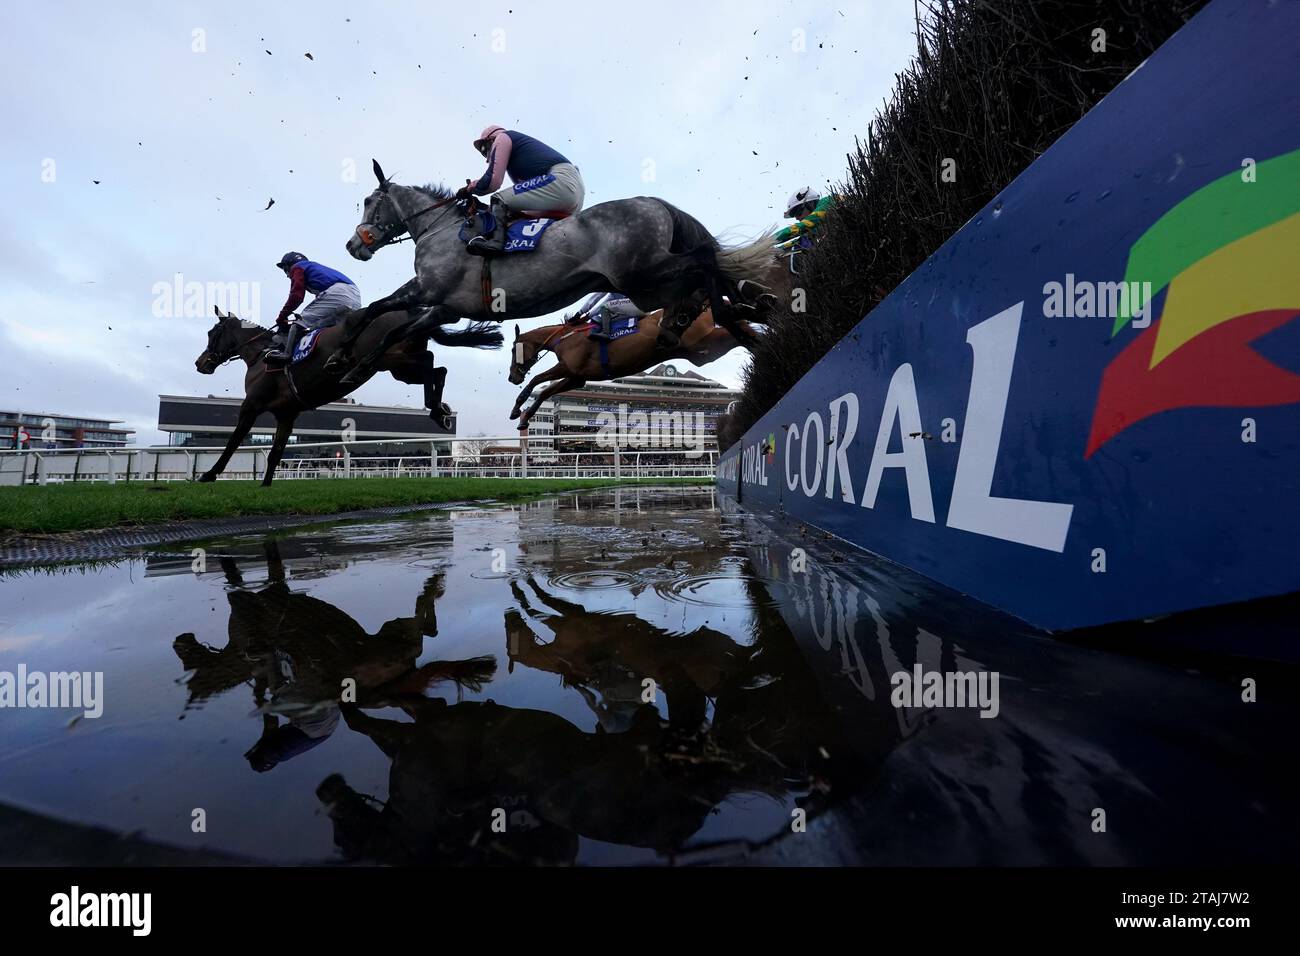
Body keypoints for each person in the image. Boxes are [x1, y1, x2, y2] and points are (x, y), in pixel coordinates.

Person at [455, 125, 586, 256]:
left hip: (562, 182)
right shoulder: (518, 153)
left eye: (484, 149)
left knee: (498, 198)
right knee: (513, 214)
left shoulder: (503, 138)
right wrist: (483, 207)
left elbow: (493, 182)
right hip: (573, 197)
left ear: (490, 140)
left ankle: (496, 243)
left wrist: (470, 188)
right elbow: (519, 201)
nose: (486, 156)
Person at [264, 252, 362, 365]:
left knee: (299, 322)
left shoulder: (297, 267)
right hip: (355, 298)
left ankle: (286, 354)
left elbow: (296, 296)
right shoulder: (314, 269)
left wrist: (282, 317)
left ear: (289, 265)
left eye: (285, 270)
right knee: (316, 327)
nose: (287, 275)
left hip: (338, 294)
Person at [774, 186, 836, 250]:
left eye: (798, 213)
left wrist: (769, 241)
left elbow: (801, 227)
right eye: (794, 216)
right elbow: (799, 242)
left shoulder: (829, 201)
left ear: (810, 204)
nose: (797, 218)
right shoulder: (817, 227)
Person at [570, 292, 645, 341]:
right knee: (599, 319)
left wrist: (583, 315)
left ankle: (606, 334)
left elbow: (600, 299)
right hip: (630, 306)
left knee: (605, 308)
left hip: (638, 305)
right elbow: (599, 296)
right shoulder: (612, 290)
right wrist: (581, 314)